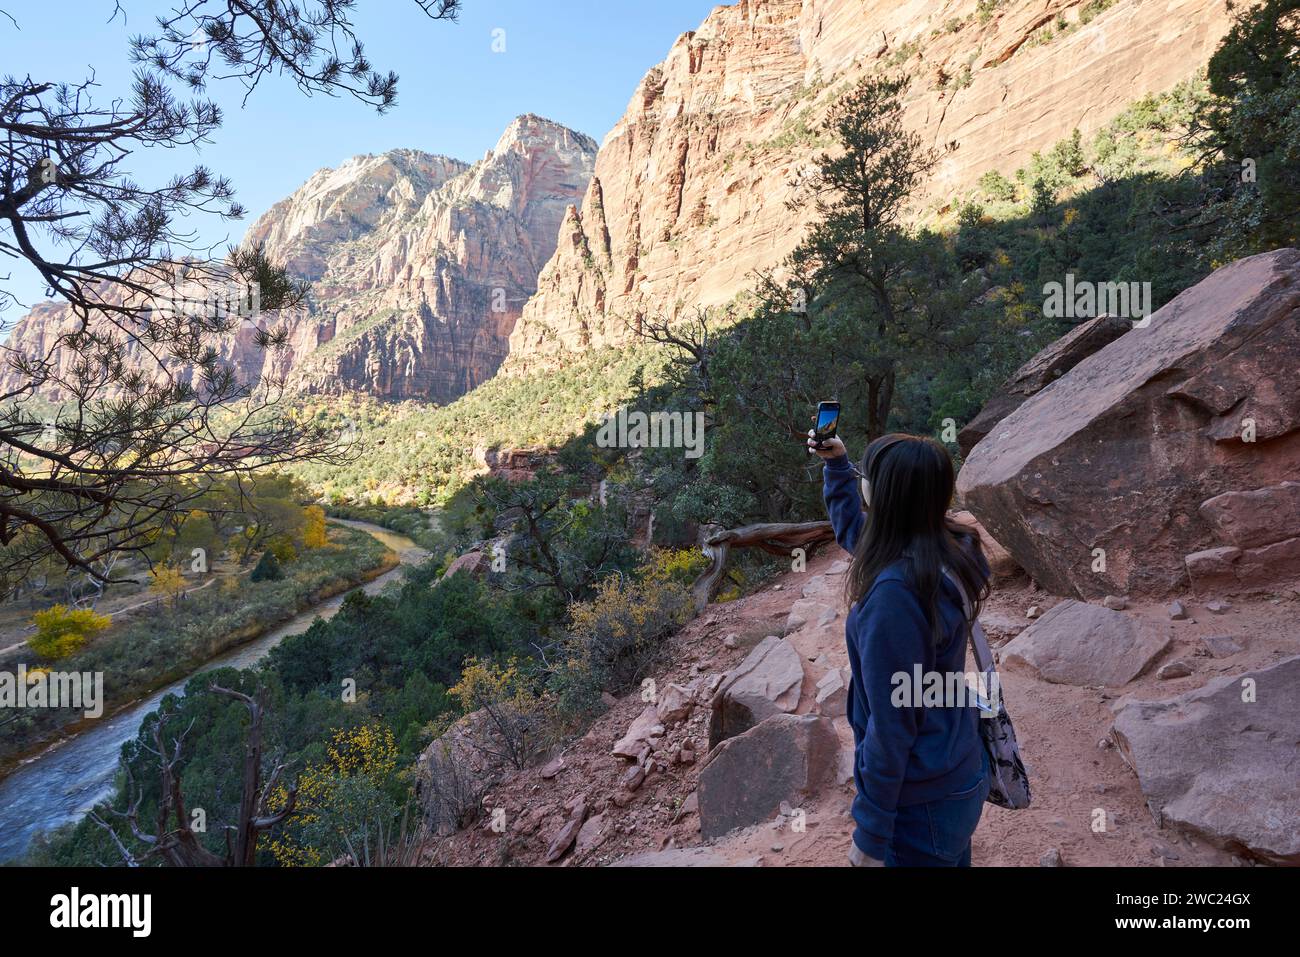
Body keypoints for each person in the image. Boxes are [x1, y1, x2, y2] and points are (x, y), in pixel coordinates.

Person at [807, 428, 992, 867]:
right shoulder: (954, 547)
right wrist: (837, 466)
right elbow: (861, 535)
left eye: (862, 475)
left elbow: (892, 728)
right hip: (957, 765)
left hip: (920, 801)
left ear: (882, 495)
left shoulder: (895, 598)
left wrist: (870, 835)